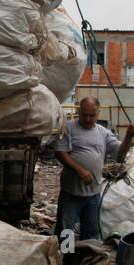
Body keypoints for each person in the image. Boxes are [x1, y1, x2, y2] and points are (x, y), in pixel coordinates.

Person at [53, 97, 121, 241]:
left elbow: (120, 153)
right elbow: (60, 152)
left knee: (91, 232)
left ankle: (86, 254)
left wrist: (129, 137)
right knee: (66, 231)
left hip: (93, 194)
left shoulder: (103, 132)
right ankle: (66, 254)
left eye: (92, 115)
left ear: (98, 113)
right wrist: (80, 170)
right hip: (71, 192)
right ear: (79, 111)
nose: (88, 119)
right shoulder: (68, 127)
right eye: (84, 115)